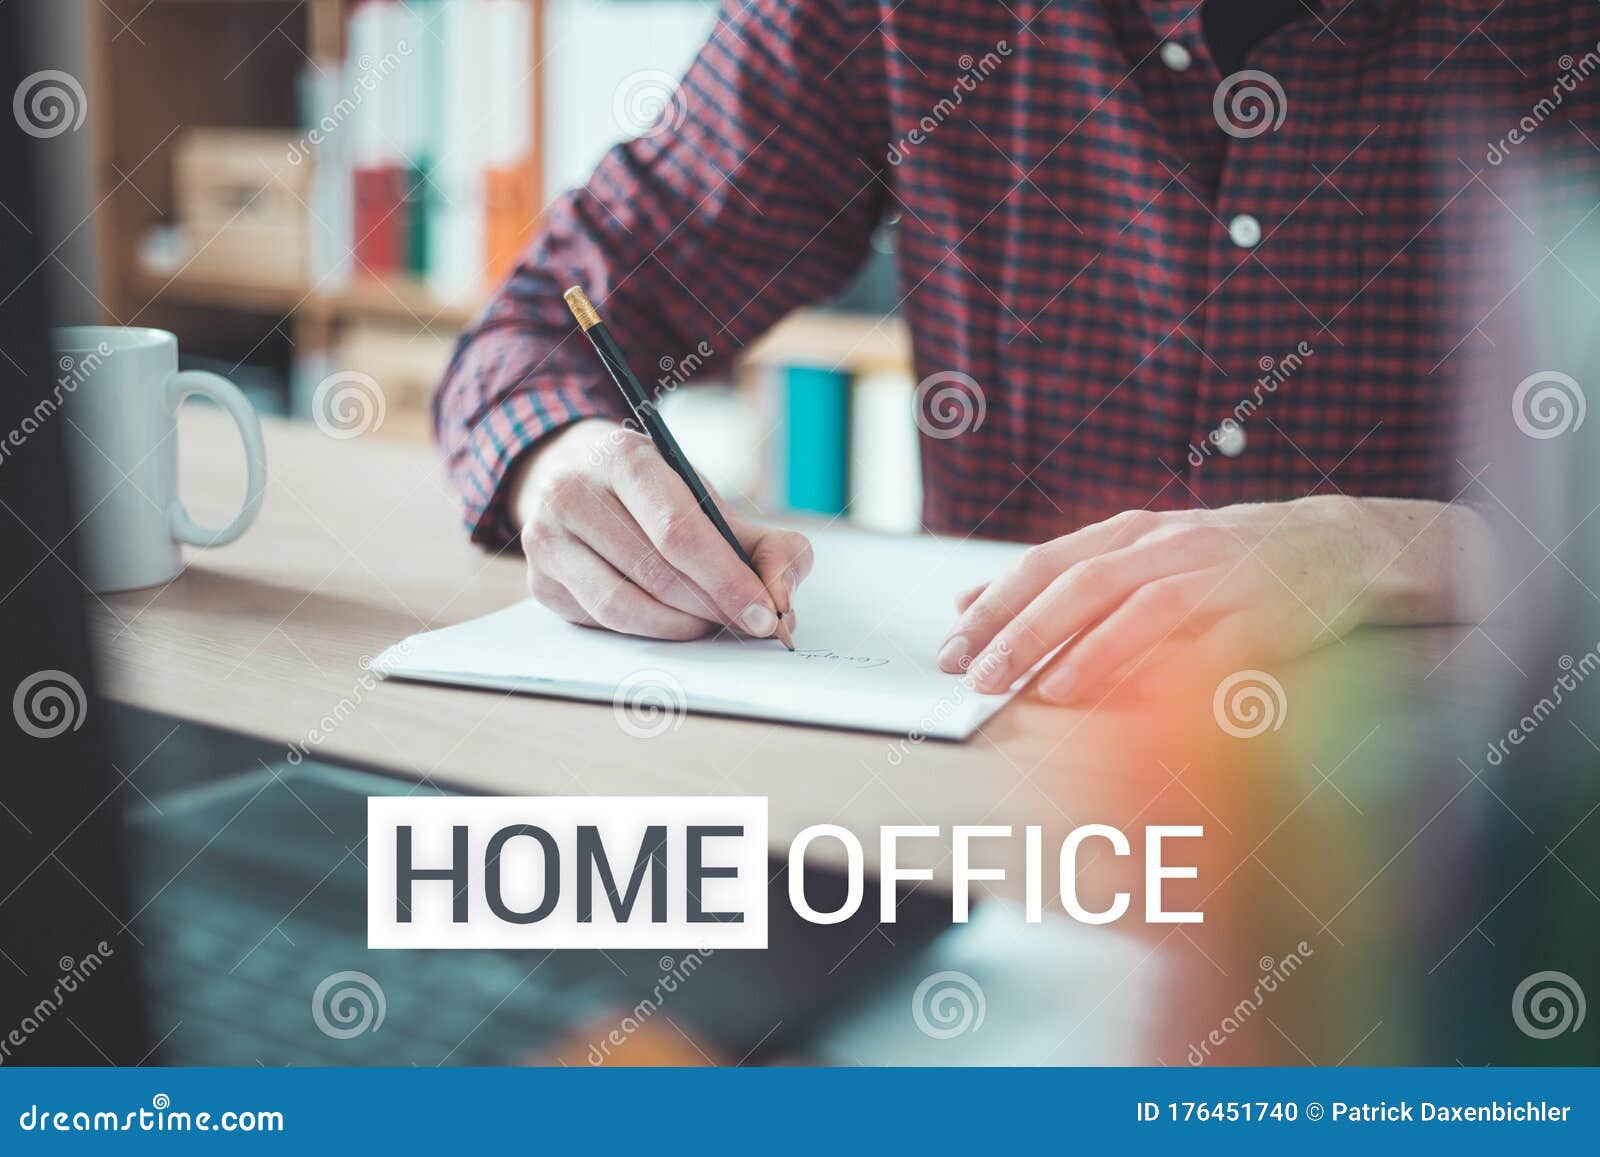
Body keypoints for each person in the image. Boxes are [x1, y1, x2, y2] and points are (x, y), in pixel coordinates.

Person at [434, 0, 1593, 702]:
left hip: (1460, 827)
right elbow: (541, 329)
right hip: (1001, 778)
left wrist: (1417, 544)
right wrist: (566, 466)